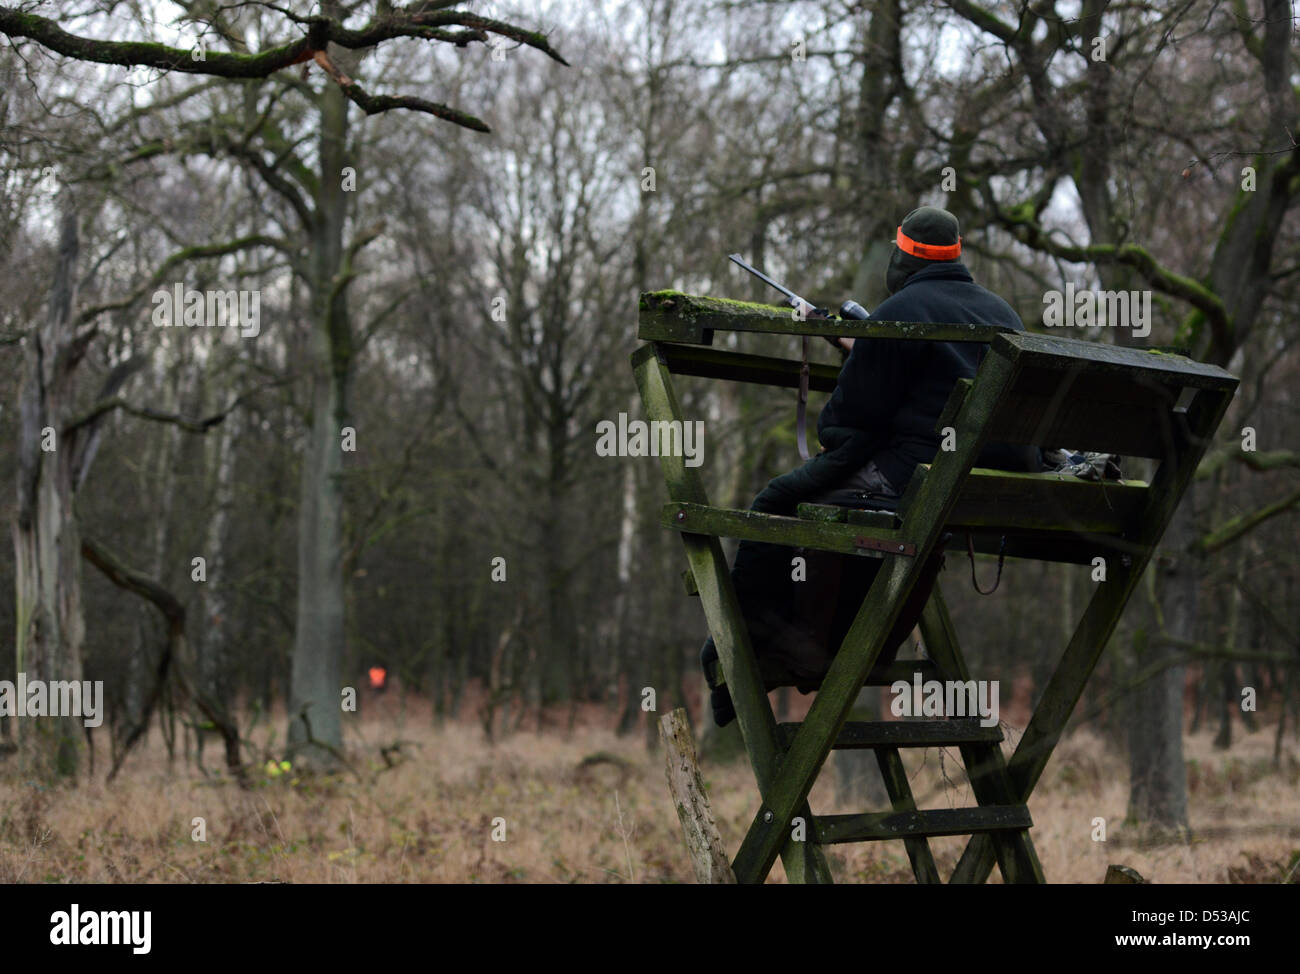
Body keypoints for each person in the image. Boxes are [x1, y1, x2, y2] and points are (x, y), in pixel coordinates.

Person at [702, 205, 1041, 726]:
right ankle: (852, 650)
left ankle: (753, 656)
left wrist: (859, 371)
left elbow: (851, 421)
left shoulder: (902, 313)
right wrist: (865, 350)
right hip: (982, 489)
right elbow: (939, 388)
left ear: (902, 255)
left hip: (915, 482)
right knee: (892, 537)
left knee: (780, 504)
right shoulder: (1003, 315)